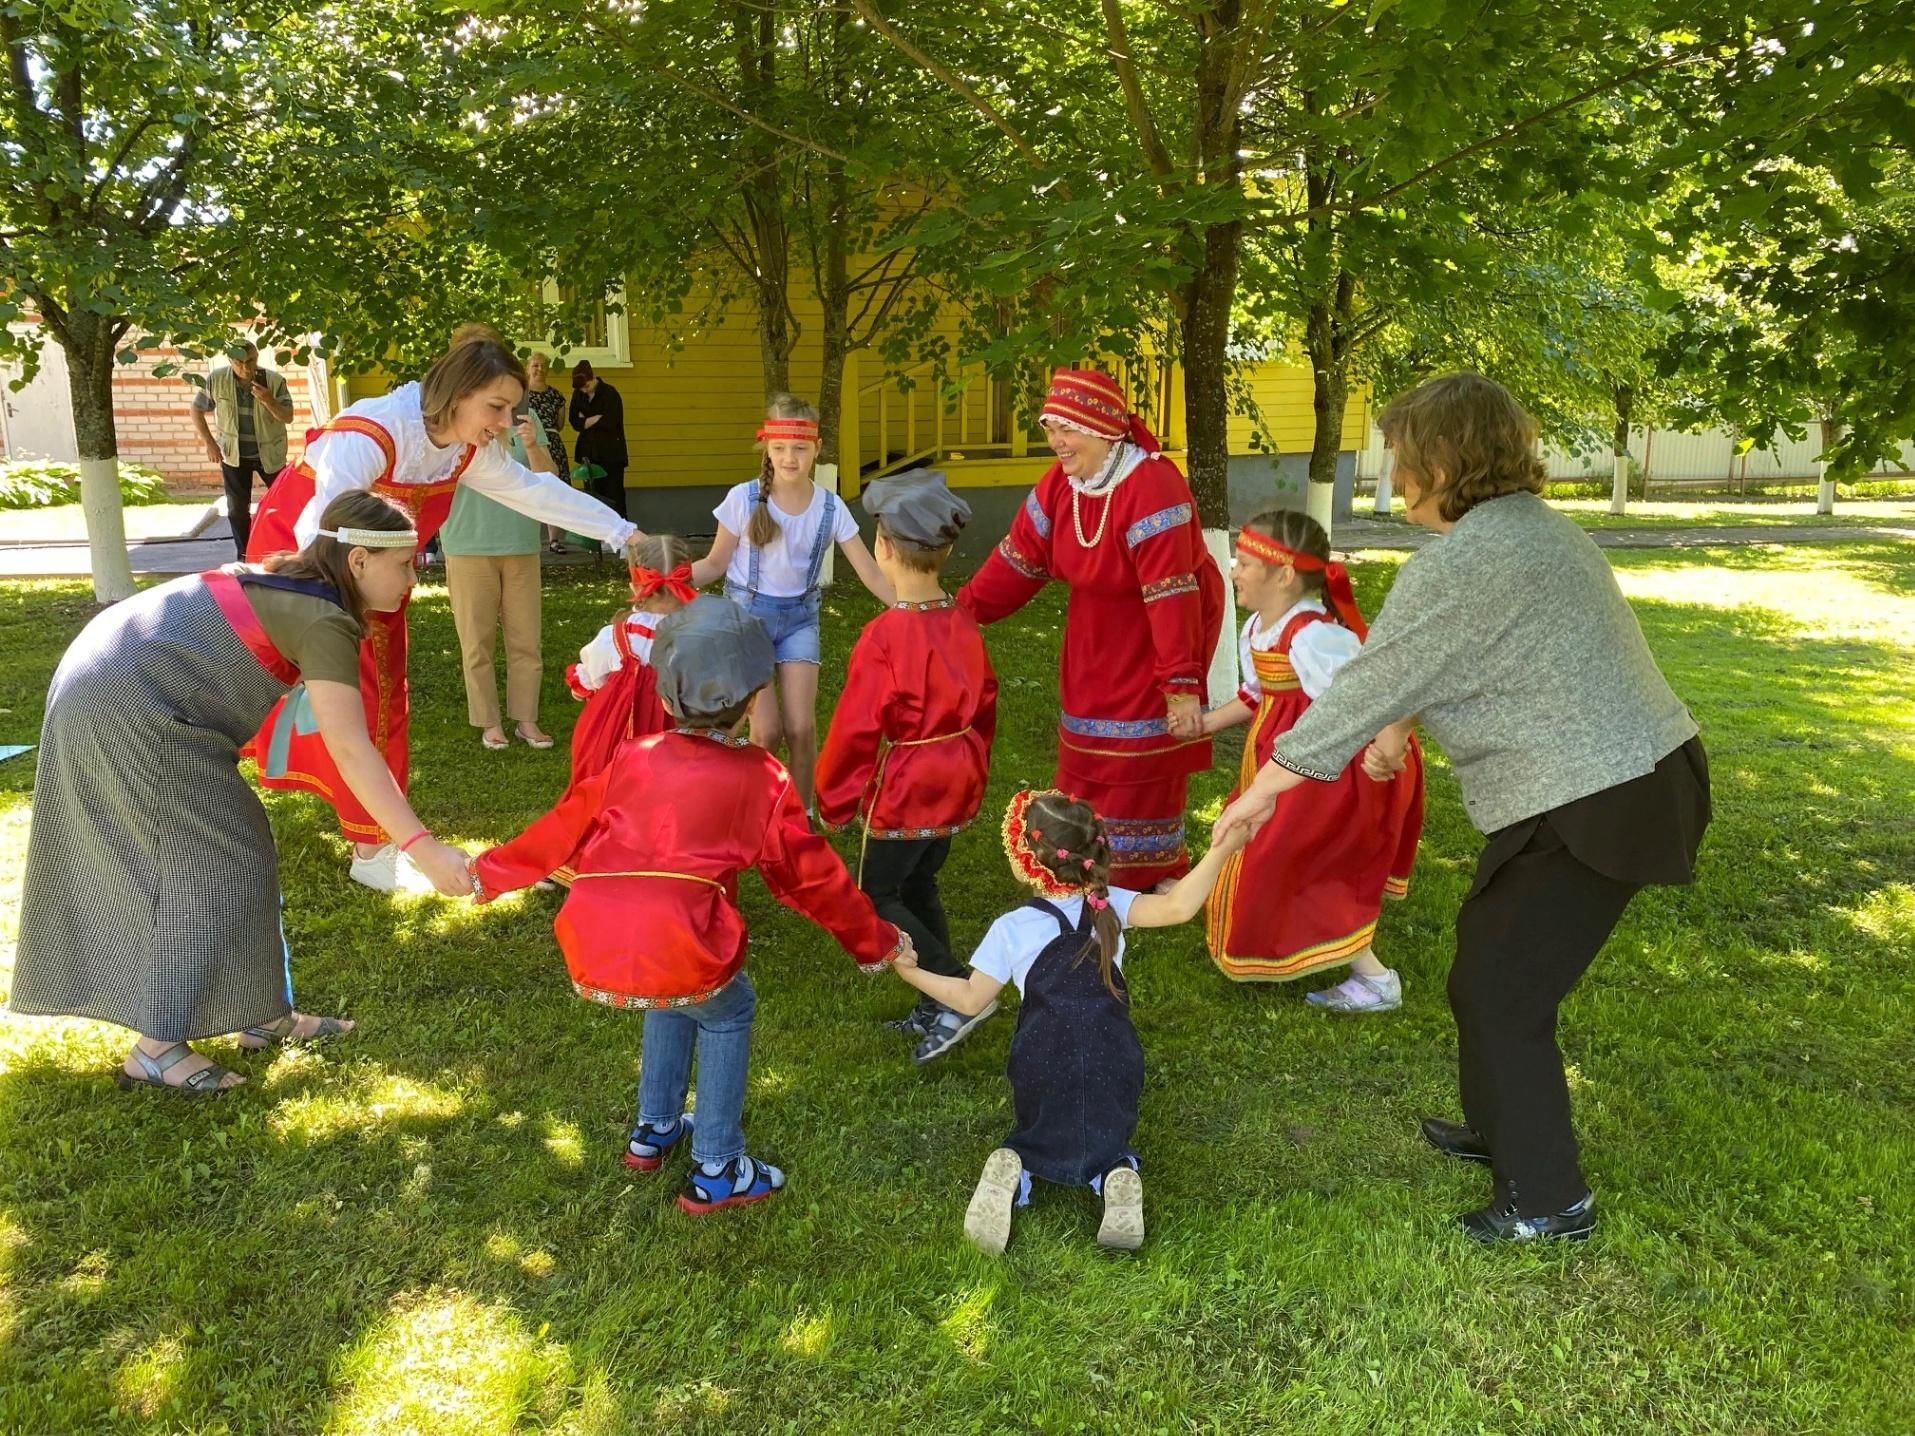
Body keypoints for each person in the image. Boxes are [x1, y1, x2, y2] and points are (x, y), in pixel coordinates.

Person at [1215, 372, 1711, 1244]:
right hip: (1603, 780)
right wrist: (1397, 730)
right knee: (1485, 968)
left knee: (1500, 992)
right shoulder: (1520, 533)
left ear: (1444, 460)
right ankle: (1504, 1134)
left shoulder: (1469, 558)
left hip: (1599, 794)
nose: (1393, 467)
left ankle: (1550, 1203)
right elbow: (1432, 660)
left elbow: (1369, 680)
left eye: (1403, 451)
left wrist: (1259, 793)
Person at [7, 493, 474, 1094]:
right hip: (132, 713)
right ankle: (156, 1049)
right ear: (358, 561)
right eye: (406, 563)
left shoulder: (298, 583)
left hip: (115, 691)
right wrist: (424, 849)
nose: (415, 575)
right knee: (208, 869)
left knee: (244, 852)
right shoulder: (324, 617)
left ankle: (257, 1013)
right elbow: (352, 749)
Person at [470, 597, 909, 1213]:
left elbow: (562, 825)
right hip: (682, 933)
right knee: (728, 1008)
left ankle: (653, 1130)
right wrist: (873, 939)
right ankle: (718, 1165)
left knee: (676, 990)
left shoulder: (633, 756)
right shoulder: (762, 776)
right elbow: (811, 876)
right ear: (756, 697)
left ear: (667, 698)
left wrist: (489, 871)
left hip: (597, 929)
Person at [243, 326, 639, 892]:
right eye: (496, 406)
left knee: (383, 695)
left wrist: (625, 533)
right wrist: (323, 613)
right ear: (457, 396)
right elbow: (324, 527)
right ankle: (370, 844)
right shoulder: (372, 433)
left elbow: (534, 491)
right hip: (312, 561)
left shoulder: (462, 448)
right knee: (320, 689)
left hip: (375, 572)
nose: (504, 422)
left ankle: (371, 842)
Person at [891, 789, 1245, 1254]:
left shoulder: (1014, 927)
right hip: (1113, 1053)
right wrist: (1223, 847)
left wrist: (910, 970)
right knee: (1106, 1126)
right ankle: (1115, 1171)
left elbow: (970, 997)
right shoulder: (1110, 904)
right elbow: (1178, 907)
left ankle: (1014, 1164)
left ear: (1025, 861)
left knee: (1036, 1125)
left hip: (1042, 1055)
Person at [958, 370, 1224, 891]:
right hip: (1094, 635)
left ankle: (1147, 871)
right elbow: (1019, 559)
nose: (1056, 440)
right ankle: (1082, 857)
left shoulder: (1153, 486)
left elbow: (1173, 596)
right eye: (1050, 427)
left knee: (1142, 751)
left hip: (1155, 635)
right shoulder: (1063, 485)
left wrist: (1181, 687)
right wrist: (958, 615)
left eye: (1067, 428)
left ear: (1104, 429)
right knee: (1087, 745)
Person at [1200, 510, 1424, 1012]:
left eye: (1244, 563)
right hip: (1284, 759)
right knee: (1257, 845)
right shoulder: (1259, 625)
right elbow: (1259, 695)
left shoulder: (1316, 636)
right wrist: (1208, 723)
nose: (1233, 571)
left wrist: (1383, 755)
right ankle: (1283, 941)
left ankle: (1375, 978)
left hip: (1333, 771)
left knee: (1297, 858)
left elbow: (1372, 704)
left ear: (1282, 575)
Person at [814, 470, 998, 1063]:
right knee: (919, 882)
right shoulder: (961, 618)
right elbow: (987, 699)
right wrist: (976, 767)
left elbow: (856, 728)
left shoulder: (884, 635)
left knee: (877, 894)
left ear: (883, 548)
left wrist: (835, 800)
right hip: (956, 774)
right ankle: (935, 1002)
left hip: (907, 785)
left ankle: (960, 990)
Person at [689, 394, 894, 814]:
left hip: (801, 621)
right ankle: (755, 810)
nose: (790, 457)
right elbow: (713, 564)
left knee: (801, 727)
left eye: (800, 448)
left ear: (817, 448)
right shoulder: (742, 499)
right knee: (767, 730)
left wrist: (910, 610)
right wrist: (664, 581)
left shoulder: (830, 506)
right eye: (780, 448)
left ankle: (800, 819)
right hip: (747, 622)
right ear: (766, 446)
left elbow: (870, 571)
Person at [440, 403, 560, 751]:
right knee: (477, 641)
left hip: (521, 542)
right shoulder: (451, 417)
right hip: (466, 542)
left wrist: (534, 445)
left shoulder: (524, 415)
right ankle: (489, 722)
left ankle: (526, 720)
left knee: (527, 639)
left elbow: (548, 480)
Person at [562, 533, 696, 796]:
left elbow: (589, 678)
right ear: (688, 582)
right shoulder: (700, 636)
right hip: (683, 739)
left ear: (635, 586)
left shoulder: (616, 637)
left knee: (606, 796)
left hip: (617, 741)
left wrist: (581, 689)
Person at [190, 341, 294, 559]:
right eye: (240, 363)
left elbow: (287, 416)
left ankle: (287, 551)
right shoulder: (216, 380)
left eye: (252, 361)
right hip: (234, 455)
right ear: (230, 361)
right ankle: (245, 555)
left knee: (284, 506)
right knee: (237, 510)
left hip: (270, 454)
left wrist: (268, 400)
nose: (247, 368)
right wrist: (210, 443)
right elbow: (196, 409)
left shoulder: (273, 381)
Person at [520, 352, 573, 553]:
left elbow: (560, 424)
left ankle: (554, 540)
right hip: (526, 440)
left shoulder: (556, 396)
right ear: (527, 368)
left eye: (543, 366)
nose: (539, 369)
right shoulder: (521, 394)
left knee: (555, 488)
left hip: (552, 443)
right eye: (535, 365)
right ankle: (528, 536)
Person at [569, 360, 629, 521]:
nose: (584, 390)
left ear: (593, 378)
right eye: (581, 389)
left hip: (611, 452)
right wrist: (595, 418)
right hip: (588, 451)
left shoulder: (610, 393)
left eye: (587, 386)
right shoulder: (578, 395)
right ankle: (598, 529)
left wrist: (586, 420)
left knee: (614, 492)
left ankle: (619, 527)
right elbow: (575, 422)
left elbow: (610, 421)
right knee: (593, 493)